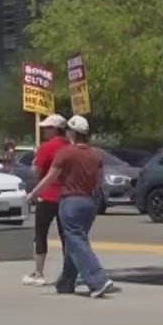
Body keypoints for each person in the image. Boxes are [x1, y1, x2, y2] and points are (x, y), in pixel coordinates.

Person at [28, 115, 115, 298]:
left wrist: (33, 194)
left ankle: (98, 280)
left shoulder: (66, 153)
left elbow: (50, 177)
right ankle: (66, 282)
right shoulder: (95, 154)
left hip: (71, 201)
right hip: (89, 202)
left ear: (72, 133)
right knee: (74, 241)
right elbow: (99, 181)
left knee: (76, 240)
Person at [22, 113, 69, 285]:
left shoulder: (47, 147)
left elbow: (36, 170)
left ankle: (38, 273)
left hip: (47, 195)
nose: (44, 131)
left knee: (40, 234)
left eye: (47, 128)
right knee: (67, 236)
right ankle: (69, 272)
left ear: (55, 130)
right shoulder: (70, 147)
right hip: (66, 196)